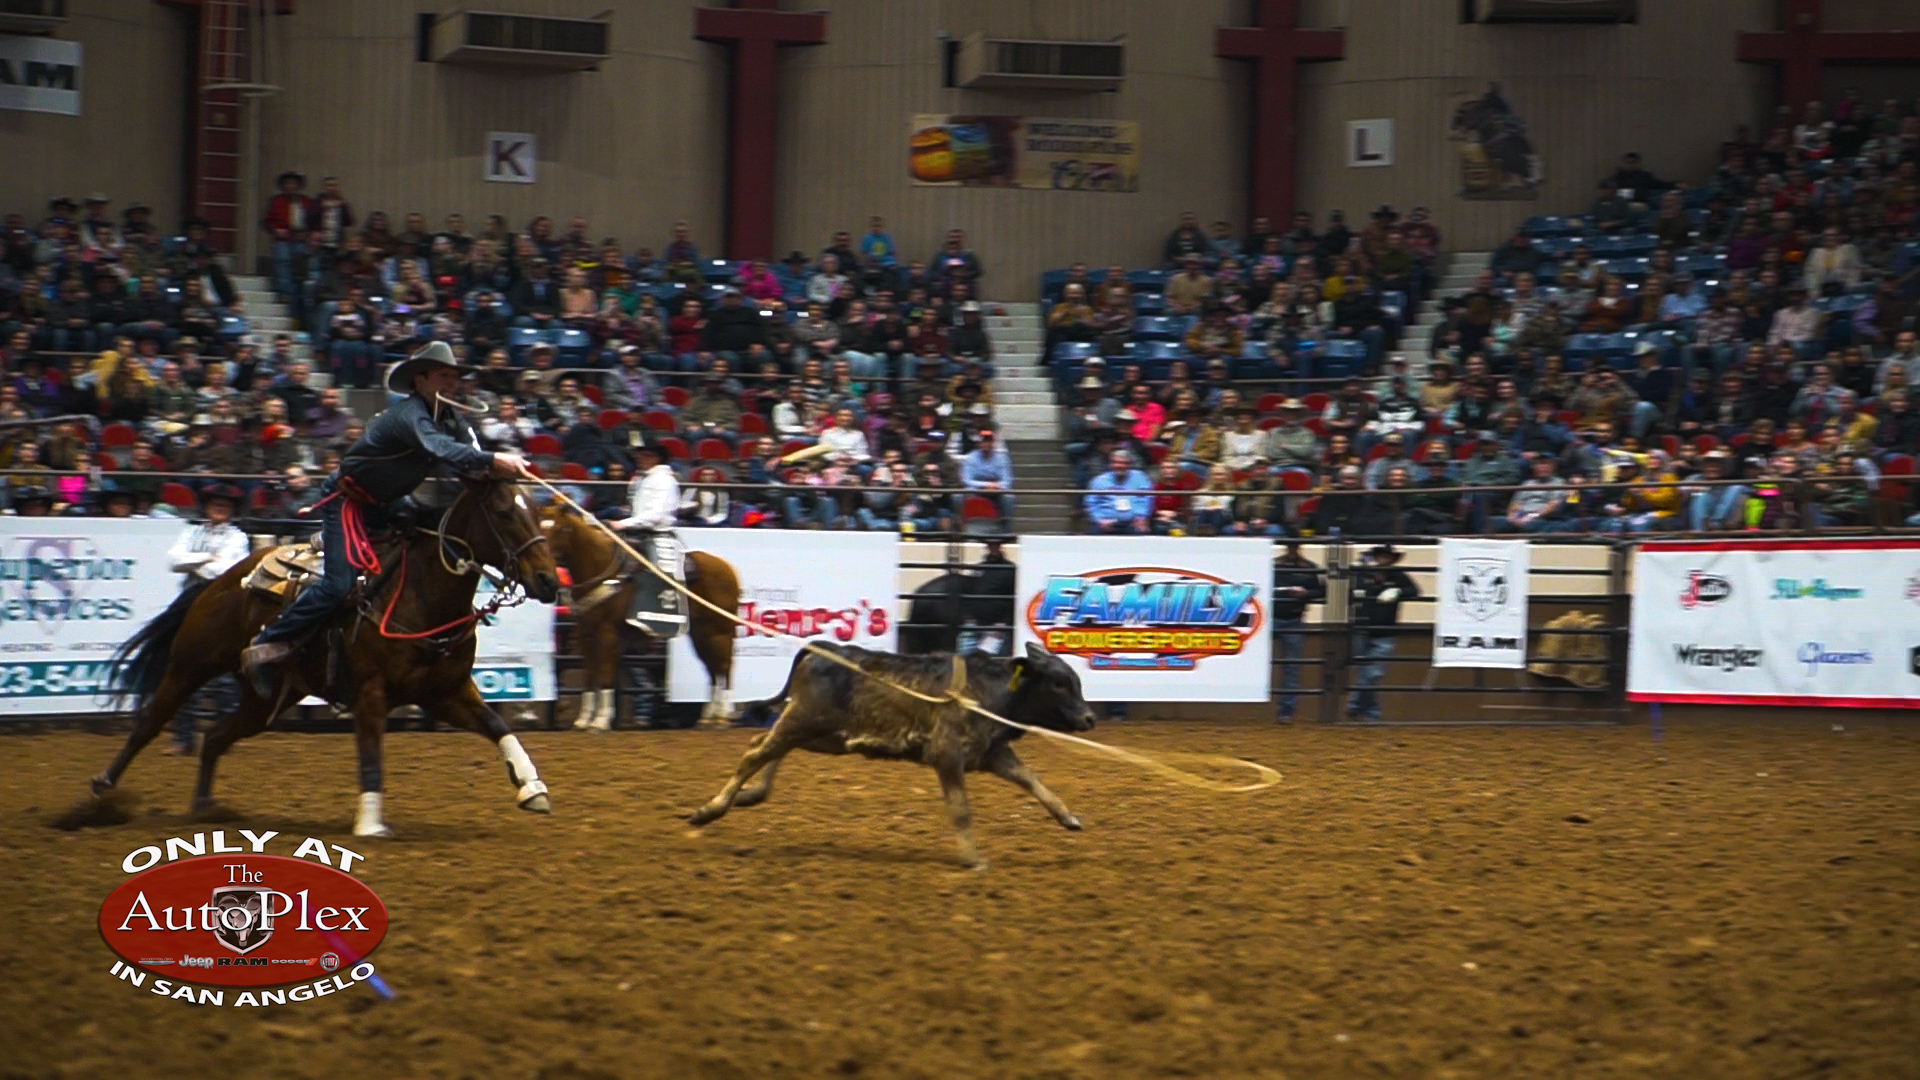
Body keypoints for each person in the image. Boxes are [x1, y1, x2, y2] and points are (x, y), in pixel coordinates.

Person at [240, 342, 531, 692]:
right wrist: (494, 461)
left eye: (454, 377)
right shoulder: (408, 415)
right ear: (420, 379)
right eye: (443, 376)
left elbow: (469, 454)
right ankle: (269, 642)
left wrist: (495, 470)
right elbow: (441, 449)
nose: (452, 383)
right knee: (338, 583)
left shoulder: (451, 418)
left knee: (436, 537)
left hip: (390, 501)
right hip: (350, 502)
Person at [165, 484, 253, 754]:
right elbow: (172, 561)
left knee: (224, 671)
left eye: (225, 504)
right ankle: (183, 737)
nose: (220, 507)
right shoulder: (191, 532)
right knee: (182, 667)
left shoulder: (237, 537)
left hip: (222, 607)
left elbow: (226, 569)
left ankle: (223, 735)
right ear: (206, 506)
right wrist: (207, 557)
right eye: (216, 502)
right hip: (190, 601)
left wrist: (196, 562)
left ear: (232, 510)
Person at [613, 434, 685, 636]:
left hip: (658, 534)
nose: (639, 459)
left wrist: (622, 523)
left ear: (655, 457)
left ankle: (658, 624)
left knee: (660, 574)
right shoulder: (639, 479)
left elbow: (656, 515)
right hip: (635, 532)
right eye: (639, 455)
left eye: (644, 455)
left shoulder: (665, 481)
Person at [1347, 544, 1418, 723]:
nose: (1384, 560)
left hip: (1385, 632)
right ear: (1377, 558)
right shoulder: (1362, 575)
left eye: (1388, 557)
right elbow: (1347, 592)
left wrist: (1398, 591)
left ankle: (1355, 705)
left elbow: (1415, 591)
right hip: (1362, 630)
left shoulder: (1398, 576)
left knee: (1372, 673)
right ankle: (1371, 714)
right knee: (1366, 673)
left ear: (1392, 560)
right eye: (1382, 556)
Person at [1272, 543, 1324, 723]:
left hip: (1292, 619)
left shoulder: (1306, 568)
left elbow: (1320, 591)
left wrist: (1305, 594)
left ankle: (1286, 711)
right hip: (1278, 618)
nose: (1292, 549)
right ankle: (1285, 710)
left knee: (1292, 667)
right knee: (1288, 666)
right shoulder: (1276, 565)